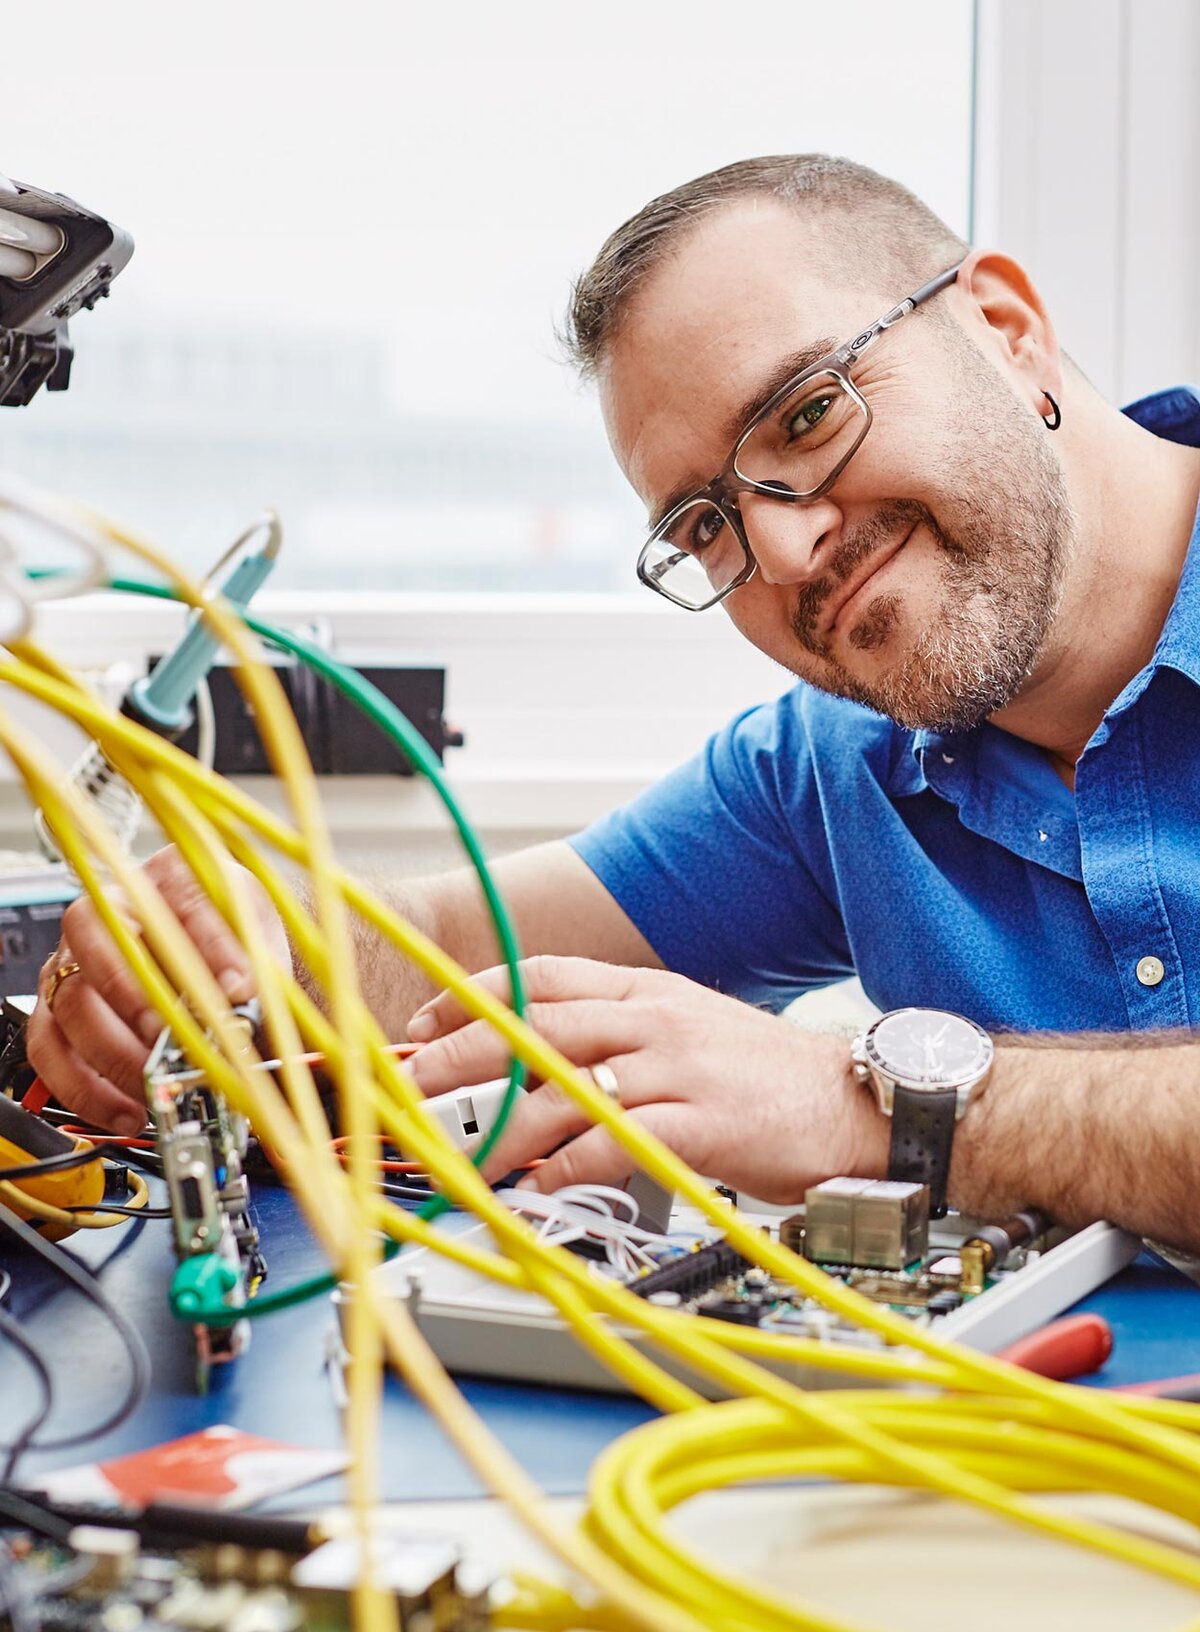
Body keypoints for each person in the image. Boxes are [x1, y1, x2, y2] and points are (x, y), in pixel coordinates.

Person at [27, 155, 1200, 1255]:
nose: (786, 551)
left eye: (807, 412)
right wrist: (239, 940)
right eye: (706, 525)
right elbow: (436, 955)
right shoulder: (838, 767)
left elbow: (854, 1109)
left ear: (1007, 330)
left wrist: (868, 1103)